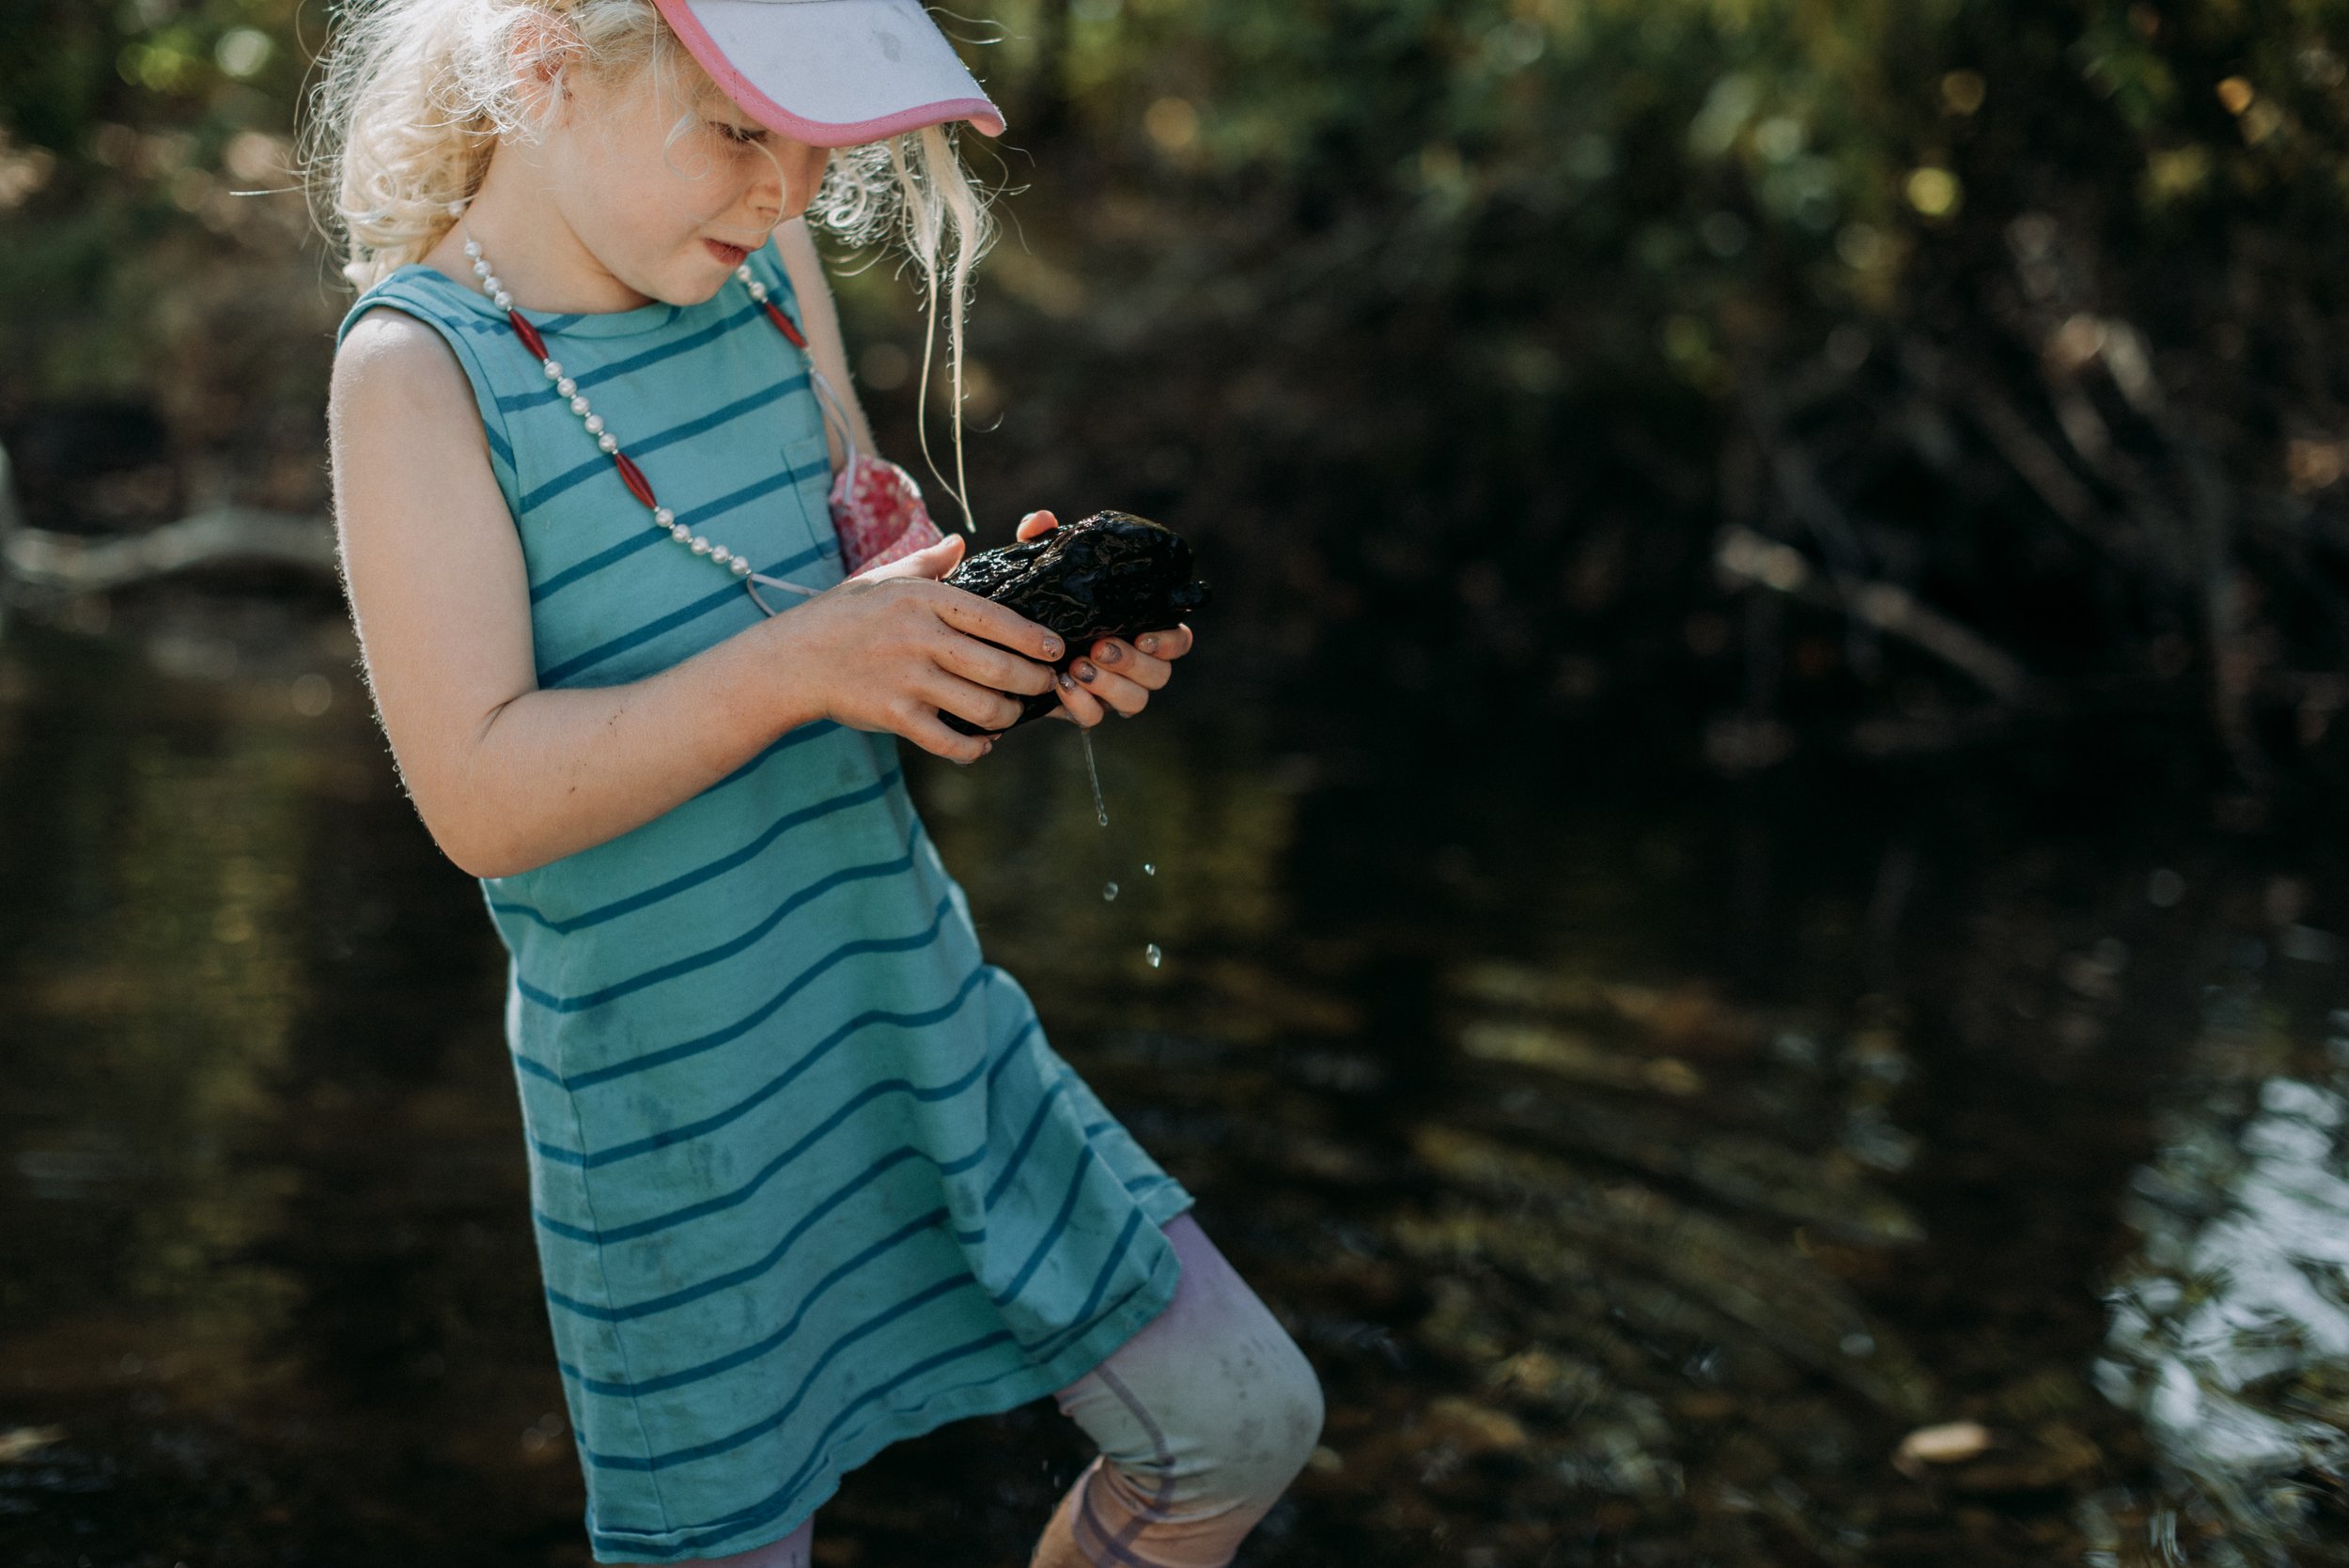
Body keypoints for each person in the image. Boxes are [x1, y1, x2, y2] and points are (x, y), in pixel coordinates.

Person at [306, 2, 1324, 1564]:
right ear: (541, 67)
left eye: (809, 138)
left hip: (909, 1005)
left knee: (1240, 1420)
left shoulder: (769, 282)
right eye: (738, 130)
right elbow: (481, 798)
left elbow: (860, 593)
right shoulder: (418, 375)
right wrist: (806, 664)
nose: (787, 191)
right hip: (679, 1116)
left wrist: (992, 649)